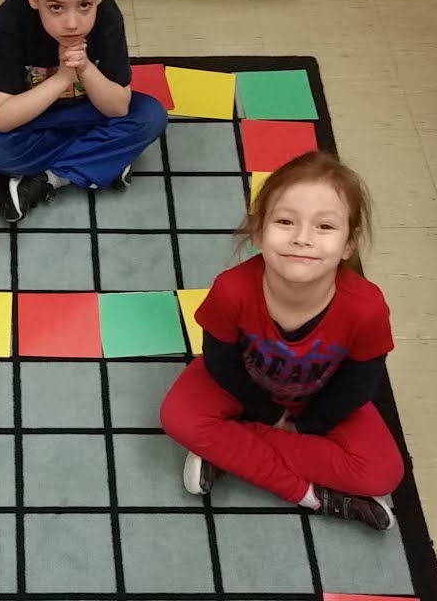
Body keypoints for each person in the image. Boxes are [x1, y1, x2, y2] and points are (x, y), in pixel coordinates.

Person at [158, 151, 405, 531]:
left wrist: (304, 426)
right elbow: (222, 363)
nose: (302, 238)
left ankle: (227, 449)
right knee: (177, 417)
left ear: (349, 244)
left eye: (325, 227)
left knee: (382, 474)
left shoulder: (367, 308)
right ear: (259, 231)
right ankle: (312, 497)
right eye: (285, 221)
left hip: (320, 399)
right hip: (241, 387)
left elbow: (357, 388)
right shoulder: (231, 290)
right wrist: (271, 417)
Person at [0, 0, 167, 223]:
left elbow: (118, 107)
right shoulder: (11, 19)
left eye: (84, 5)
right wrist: (62, 79)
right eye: (56, 7)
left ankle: (49, 177)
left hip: (88, 113)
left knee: (152, 116)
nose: (72, 23)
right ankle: (103, 158)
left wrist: (85, 68)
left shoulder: (108, 16)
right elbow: (2, 118)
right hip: (32, 119)